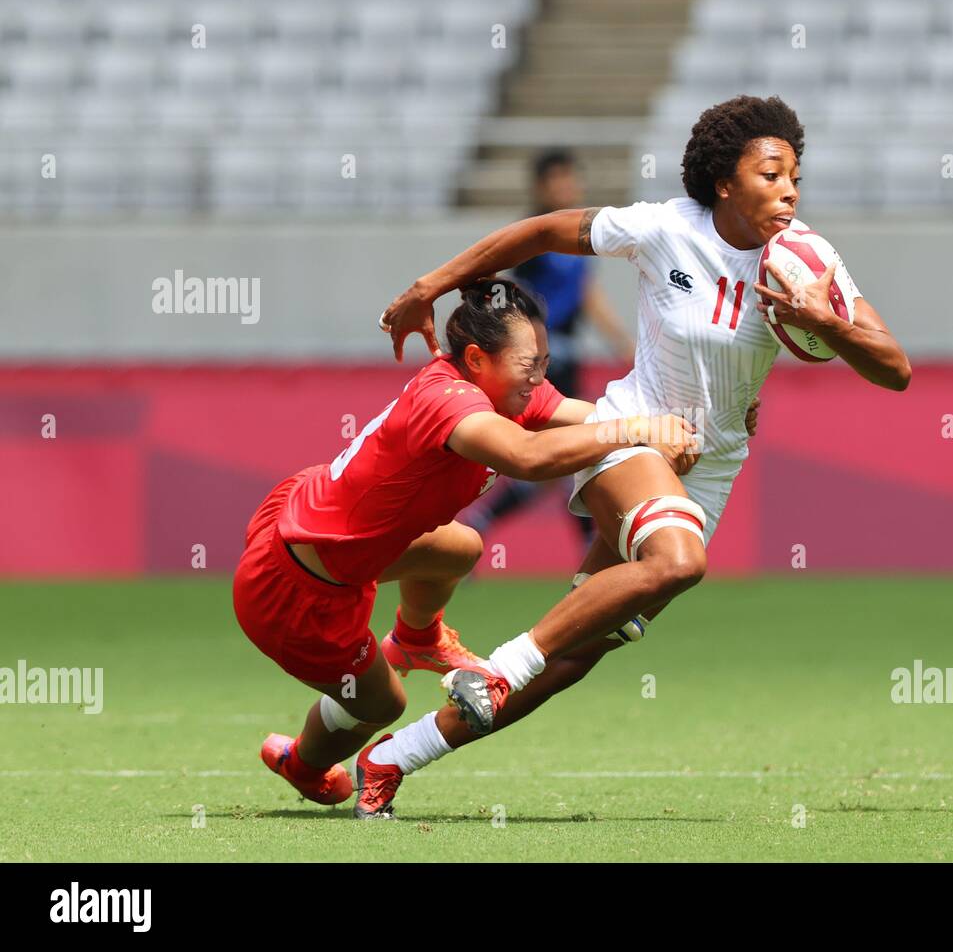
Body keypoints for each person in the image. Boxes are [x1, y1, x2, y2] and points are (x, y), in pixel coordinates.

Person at [361, 95, 911, 817]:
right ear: (724, 182)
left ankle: (392, 758)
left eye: (796, 177)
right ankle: (497, 670)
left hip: (712, 465)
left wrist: (822, 320)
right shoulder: (660, 228)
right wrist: (430, 286)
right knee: (678, 562)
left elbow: (894, 368)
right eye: (772, 174)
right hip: (634, 432)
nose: (789, 191)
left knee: (576, 654)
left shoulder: (807, 261)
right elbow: (541, 231)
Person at [231, 279, 696, 811]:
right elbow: (529, 458)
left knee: (462, 547)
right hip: (299, 592)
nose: (541, 377)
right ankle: (304, 764)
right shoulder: (448, 400)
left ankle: (416, 637)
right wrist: (638, 430)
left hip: (343, 541)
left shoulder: (507, 389)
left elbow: (591, 419)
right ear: (477, 358)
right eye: (530, 364)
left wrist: (690, 424)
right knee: (383, 703)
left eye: (546, 361)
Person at [464, 149, 637, 545]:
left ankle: (480, 523)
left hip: (569, 358)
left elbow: (588, 293)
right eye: (557, 180)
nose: (566, 186)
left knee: (565, 458)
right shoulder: (536, 238)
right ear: (541, 187)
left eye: (570, 178)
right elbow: (509, 290)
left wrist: (621, 342)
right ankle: (594, 541)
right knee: (574, 448)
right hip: (545, 362)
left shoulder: (578, 236)